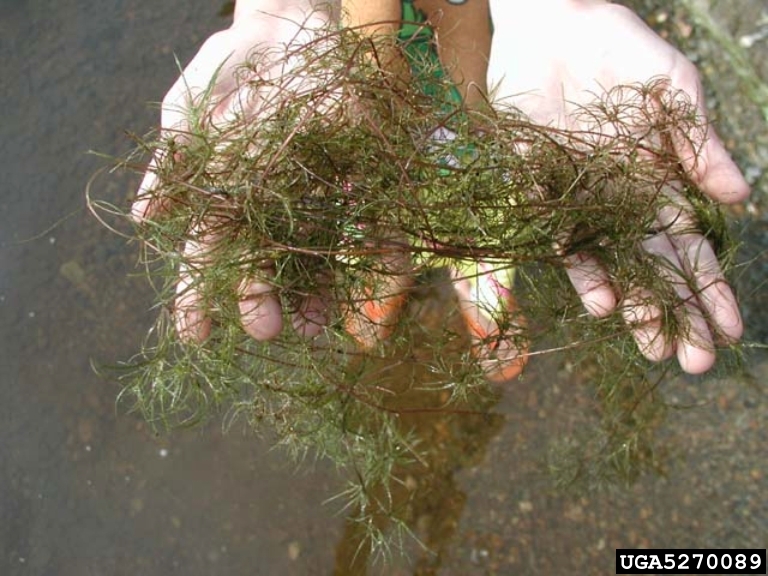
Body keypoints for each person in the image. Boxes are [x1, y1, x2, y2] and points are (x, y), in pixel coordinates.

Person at [133, 0, 749, 378]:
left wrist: (557, 8)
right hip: (363, 115)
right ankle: (384, 253)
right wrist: (276, 11)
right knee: (376, 210)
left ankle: (478, 266)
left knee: (488, 199)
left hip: (495, 89)